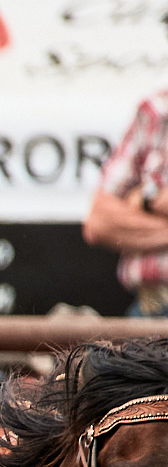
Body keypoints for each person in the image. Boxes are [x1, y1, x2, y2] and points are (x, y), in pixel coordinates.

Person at [83, 88, 168, 316]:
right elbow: (99, 223)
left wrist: (142, 200)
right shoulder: (156, 110)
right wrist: (153, 199)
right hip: (153, 309)